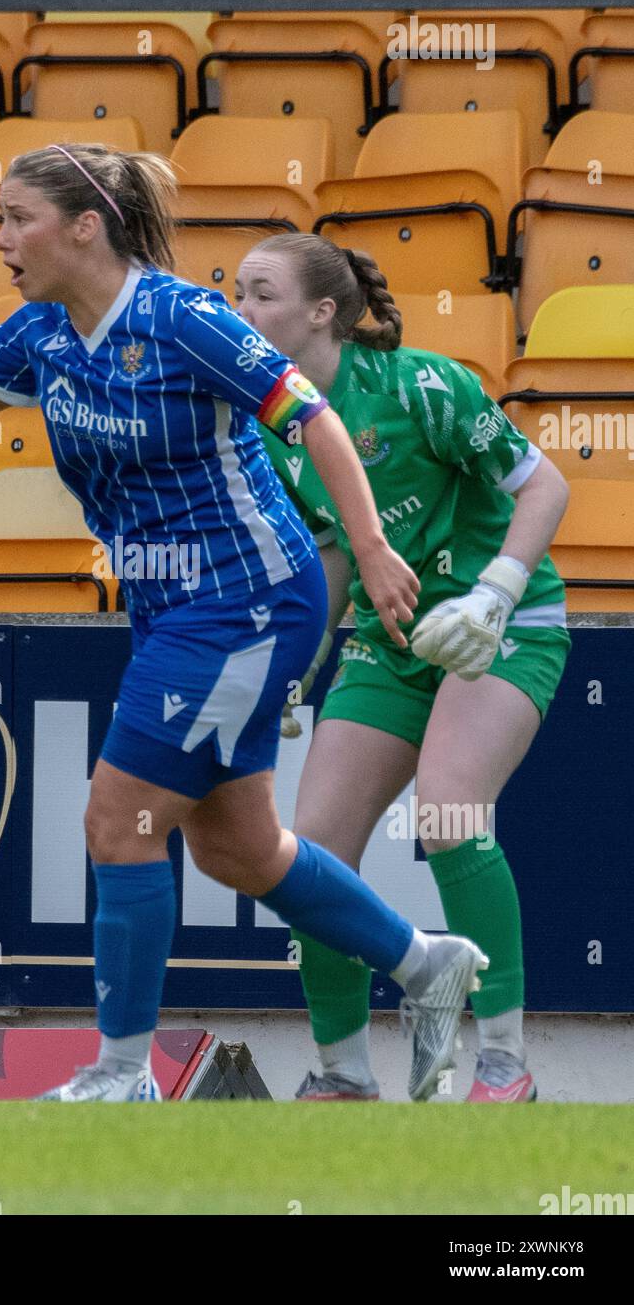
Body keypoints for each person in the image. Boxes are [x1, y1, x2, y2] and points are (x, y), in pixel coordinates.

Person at [0, 144, 487, 1103]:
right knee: (237, 850)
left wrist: (368, 548)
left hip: (242, 602)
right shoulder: (41, 330)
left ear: (85, 227)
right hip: (173, 609)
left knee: (118, 822)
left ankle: (122, 1073)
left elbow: (314, 418)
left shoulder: (184, 318)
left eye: (18, 218)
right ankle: (422, 964)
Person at [235, 232, 570, 1103]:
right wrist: (297, 669)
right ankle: (343, 1074)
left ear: (321, 312)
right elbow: (336, 553)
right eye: (236, 294)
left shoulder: (424, 386)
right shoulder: (272, 423)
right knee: (306, 858)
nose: (241, 313)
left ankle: (502, 1063)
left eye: (260, 295)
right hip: (390, 643)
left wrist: (493, 594)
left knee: (450, 808)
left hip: (502, 626)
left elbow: (545, 488)